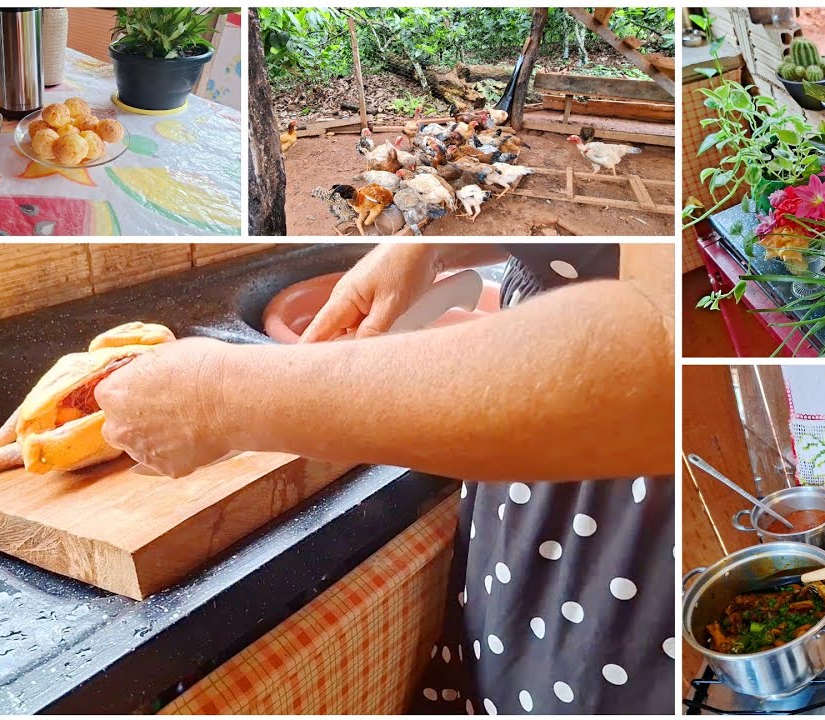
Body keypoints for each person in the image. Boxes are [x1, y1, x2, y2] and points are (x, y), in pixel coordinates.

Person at [95, 244, 676, 713]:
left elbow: (657, 354)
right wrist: (433, 245)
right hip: (541, 495)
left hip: (625, 543)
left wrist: (220, 399)